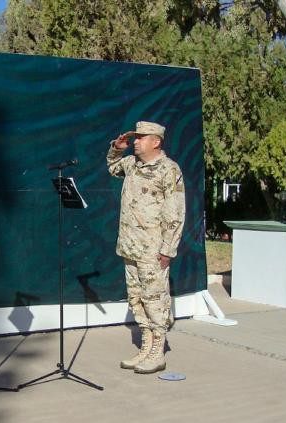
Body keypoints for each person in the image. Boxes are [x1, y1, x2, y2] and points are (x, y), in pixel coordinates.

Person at [106, 121, 186, 374]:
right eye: (135, 137)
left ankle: (158, 352)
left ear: (156, 141)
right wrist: (117, 149)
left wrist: (167, 249)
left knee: (154, 298)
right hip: (130, 245)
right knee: (136, 297)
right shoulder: (131, 164)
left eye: (141, 137)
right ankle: (146, 346)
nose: (136, 141)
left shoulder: (168, 169)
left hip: (153, 249)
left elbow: (175, 212)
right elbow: (112, 167)